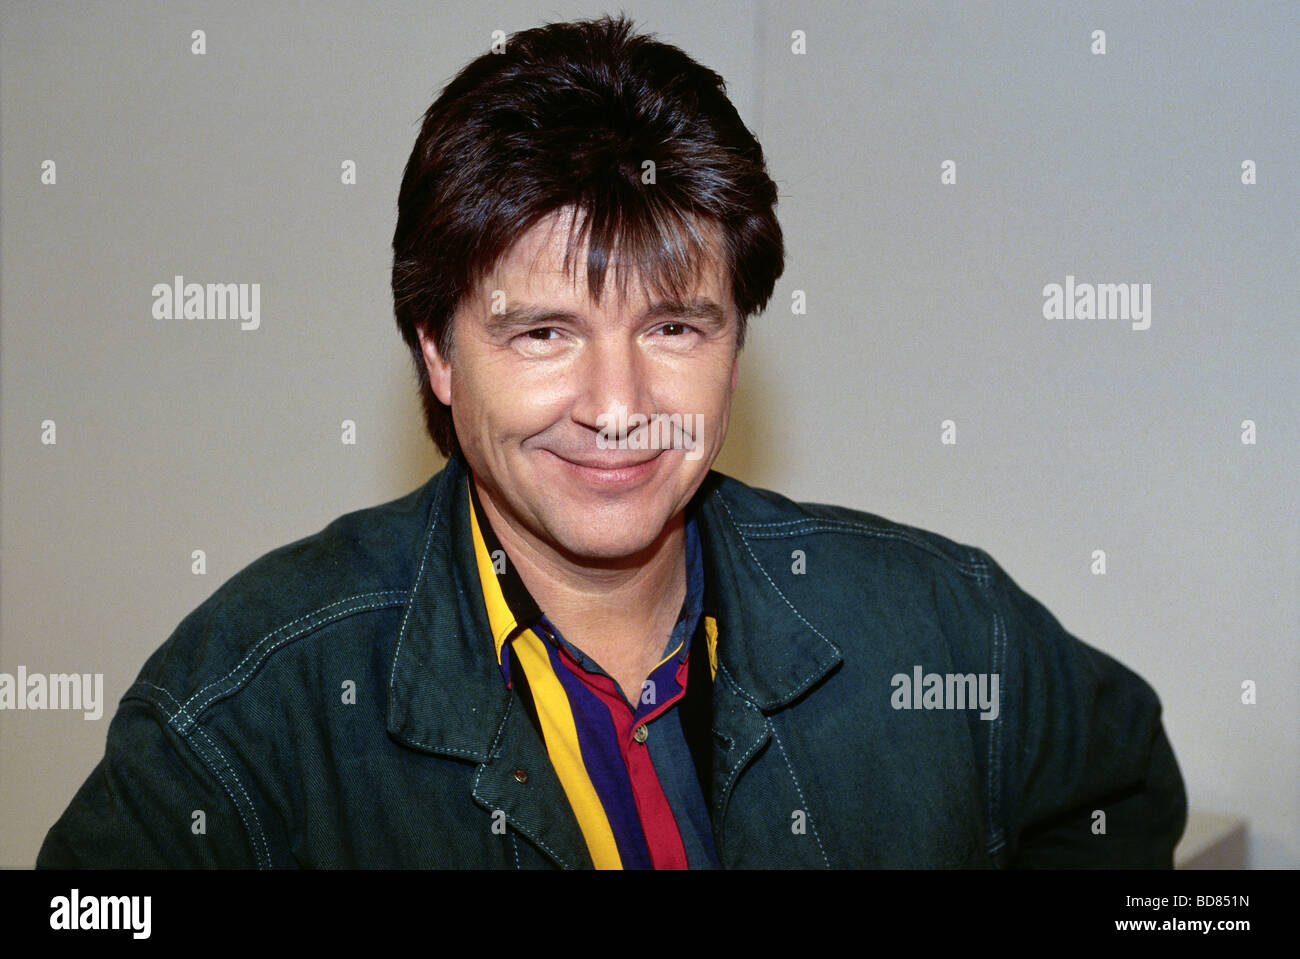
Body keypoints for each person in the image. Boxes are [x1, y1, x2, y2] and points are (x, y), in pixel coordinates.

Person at [37, 14, 1185, 869]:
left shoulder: (937, 620)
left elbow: (1121, 789)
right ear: (437, 351)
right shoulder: (246, 707)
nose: (619, 400)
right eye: (544, 331)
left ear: (736, 340)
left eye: (674, 324)